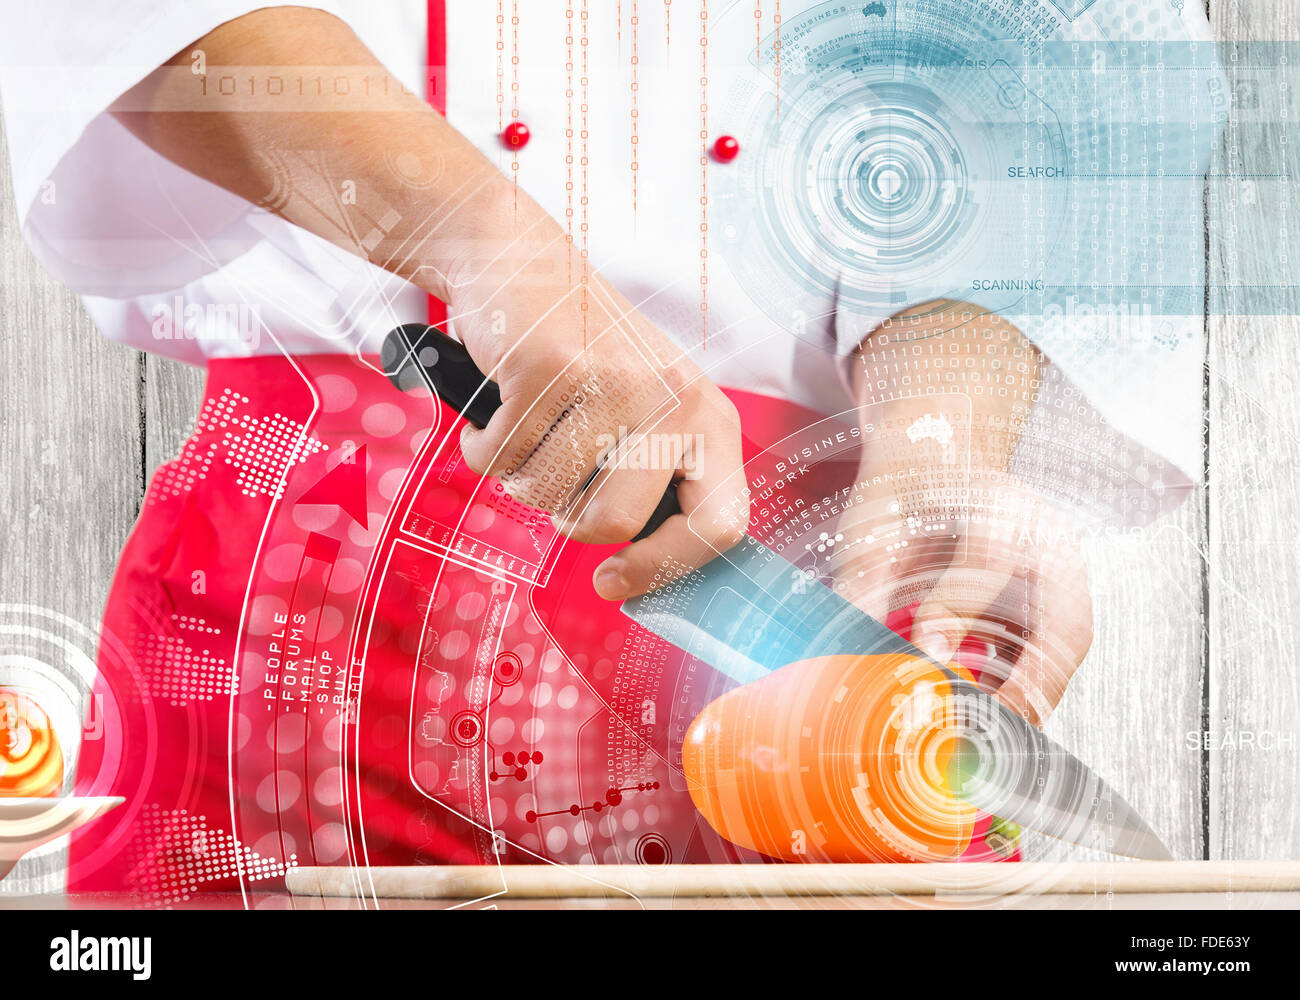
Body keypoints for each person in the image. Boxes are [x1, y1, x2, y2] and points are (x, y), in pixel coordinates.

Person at [0, 1, 1222, 900]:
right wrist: (470, 235)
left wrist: (943, 442)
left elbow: (1036, 79)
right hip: (307, 651)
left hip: (802, 694)